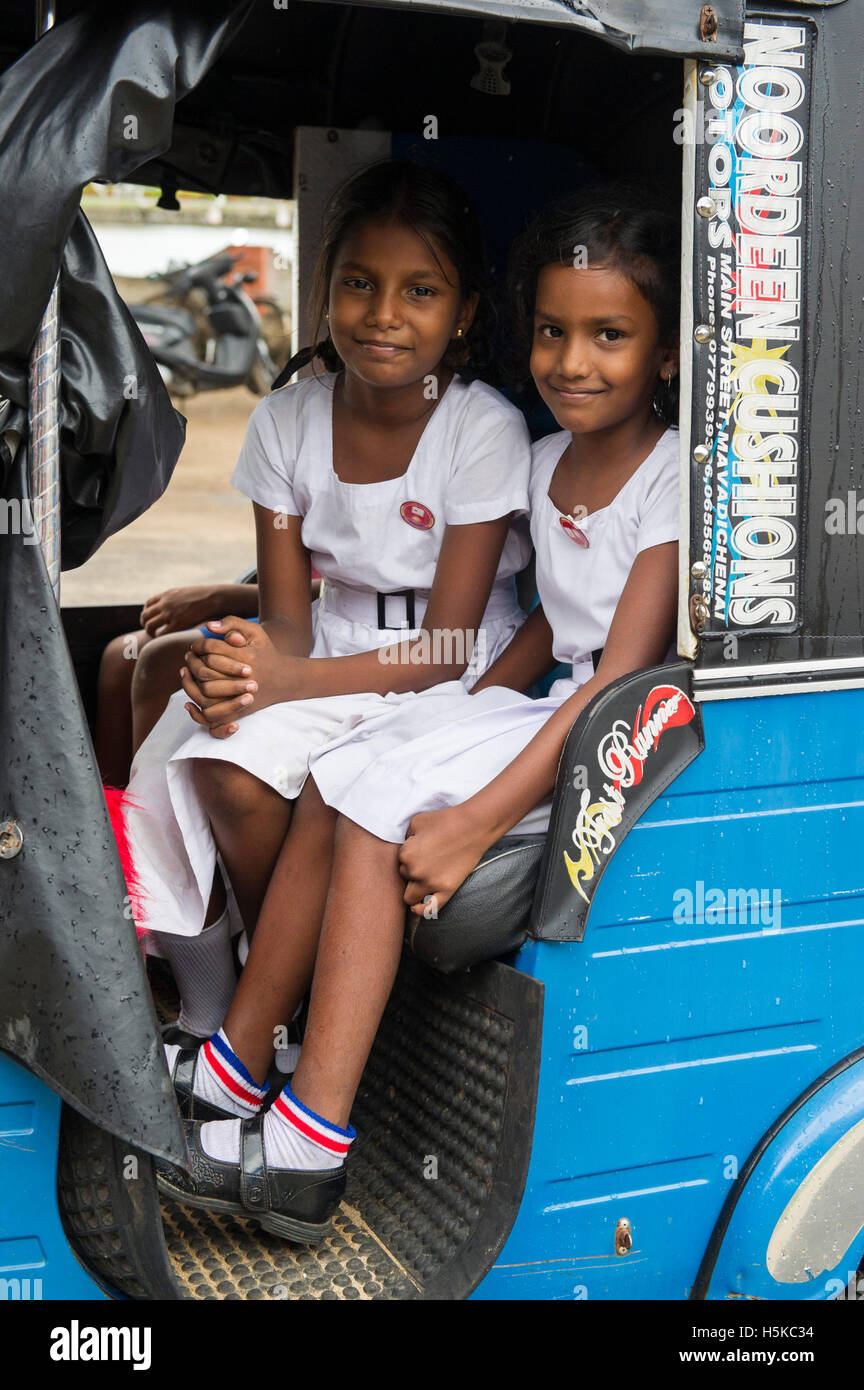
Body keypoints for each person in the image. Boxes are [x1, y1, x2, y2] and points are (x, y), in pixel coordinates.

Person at [155, 181, 682, 1244]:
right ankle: (236, 1056)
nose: (573, 363)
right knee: (355, 764)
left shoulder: (671, 479)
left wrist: (475, 817)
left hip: (608, 730)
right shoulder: (544, 463)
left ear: (666, 357)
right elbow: (540, 627)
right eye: (555, 334)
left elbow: (617, 683)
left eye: (611, 337)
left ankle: (311, 1140)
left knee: (380, 802)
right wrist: (457, 707)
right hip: (540, 702)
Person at [121, 158, 533, 1046]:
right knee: (194, 748)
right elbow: (289, 622)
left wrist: (280, 680)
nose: (383, 313)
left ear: (462, 314)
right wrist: (239, 668)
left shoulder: (481, 428)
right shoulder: (285, 421)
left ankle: (290, 997)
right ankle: (210, 1002)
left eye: (419, 290)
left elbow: (448, 647)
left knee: (249, 760)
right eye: (358, 283)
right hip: (325, 651)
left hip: (447, 678)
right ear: (326, 291)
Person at [95, 583, 259, 788]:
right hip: (268, 601)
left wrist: (219, 598)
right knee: (122, 654)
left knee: (161, 657)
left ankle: (145, 801)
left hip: (302, 614)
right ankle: (106, 804)